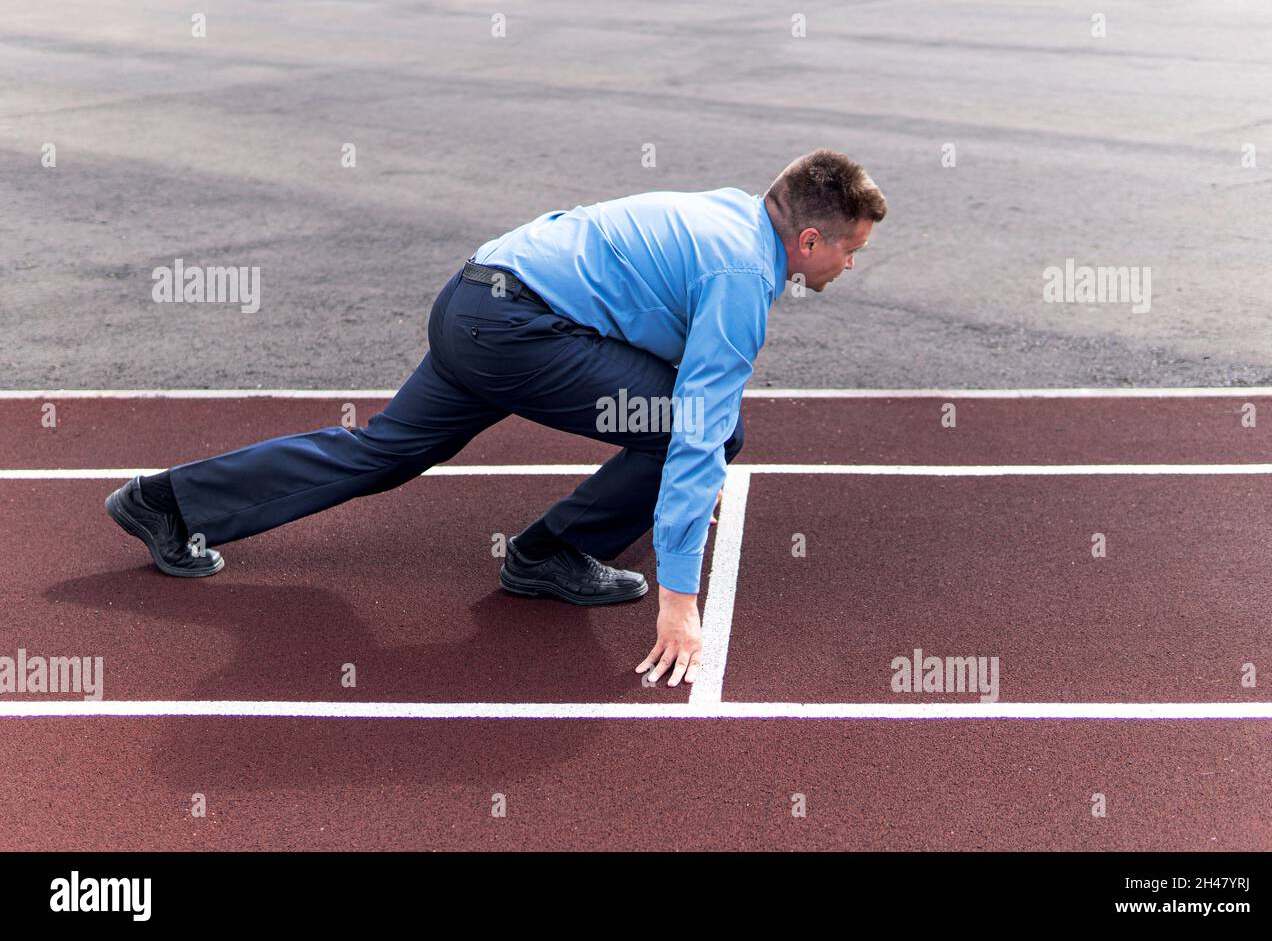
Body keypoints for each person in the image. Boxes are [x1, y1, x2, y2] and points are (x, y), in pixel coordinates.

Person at [105, 148, 887, 688]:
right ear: (808, 239)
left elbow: (649, 320)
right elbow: (697, 426)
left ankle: (167, 504)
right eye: (850, 250)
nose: (850, 264)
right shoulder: (743, 272)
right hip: (516, 330)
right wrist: (680, 603)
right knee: (709, 434)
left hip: (476, 298)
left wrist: (683, 479)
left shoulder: (729, 216)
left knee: (385, 452)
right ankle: (551, 554)